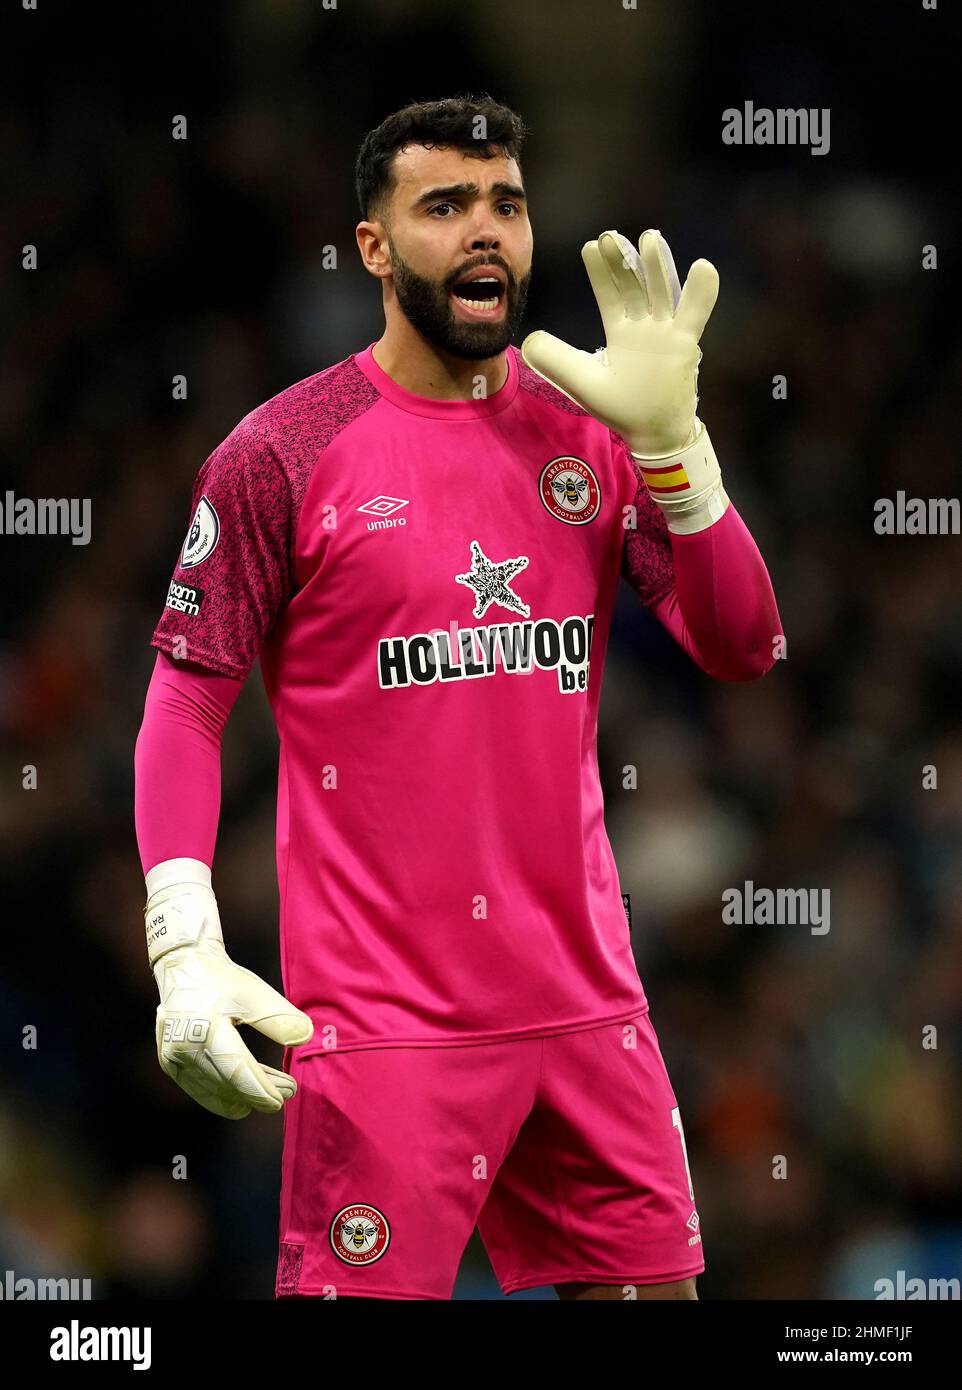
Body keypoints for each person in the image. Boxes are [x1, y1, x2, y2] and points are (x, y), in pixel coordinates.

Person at [134, 93, 783, 1302]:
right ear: (373, 247)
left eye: (506, 204)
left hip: (589, 1009)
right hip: (386, 1033)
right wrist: (183, 943)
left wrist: (679, 451)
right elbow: (184, 701)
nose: (484, 231)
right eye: (443, 206)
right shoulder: (282, 452)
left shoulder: (590, 436)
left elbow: (741, 645)